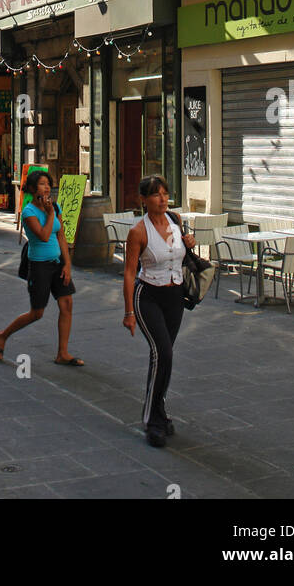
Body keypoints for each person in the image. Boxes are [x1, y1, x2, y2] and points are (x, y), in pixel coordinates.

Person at [122, 175, 197, 448]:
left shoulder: (175, 221)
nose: (163, 199)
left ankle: (160, 413)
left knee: (166, 357)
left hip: (175, 296)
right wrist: (129, 311)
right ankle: (152, 421)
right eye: (156, 194)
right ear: (144, 200)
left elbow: (183, 255)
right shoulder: (138, 232)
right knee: (161, 353)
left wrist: (189, 243)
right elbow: (130, 272)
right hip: (148, 296)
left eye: (165, 193)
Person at [0, 171, 82, 367]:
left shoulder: (55, 207)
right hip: (39, 266)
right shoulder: (29, 212)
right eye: (42, 184)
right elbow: (43, 235)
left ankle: (62, 353)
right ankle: (2, 335)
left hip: (57, 263)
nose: (47, 187)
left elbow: (61, 237)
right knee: (37, 313)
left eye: (48, 183)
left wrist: (67, 264)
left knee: (67, 305)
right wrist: (49, 214)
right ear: (33, 189)